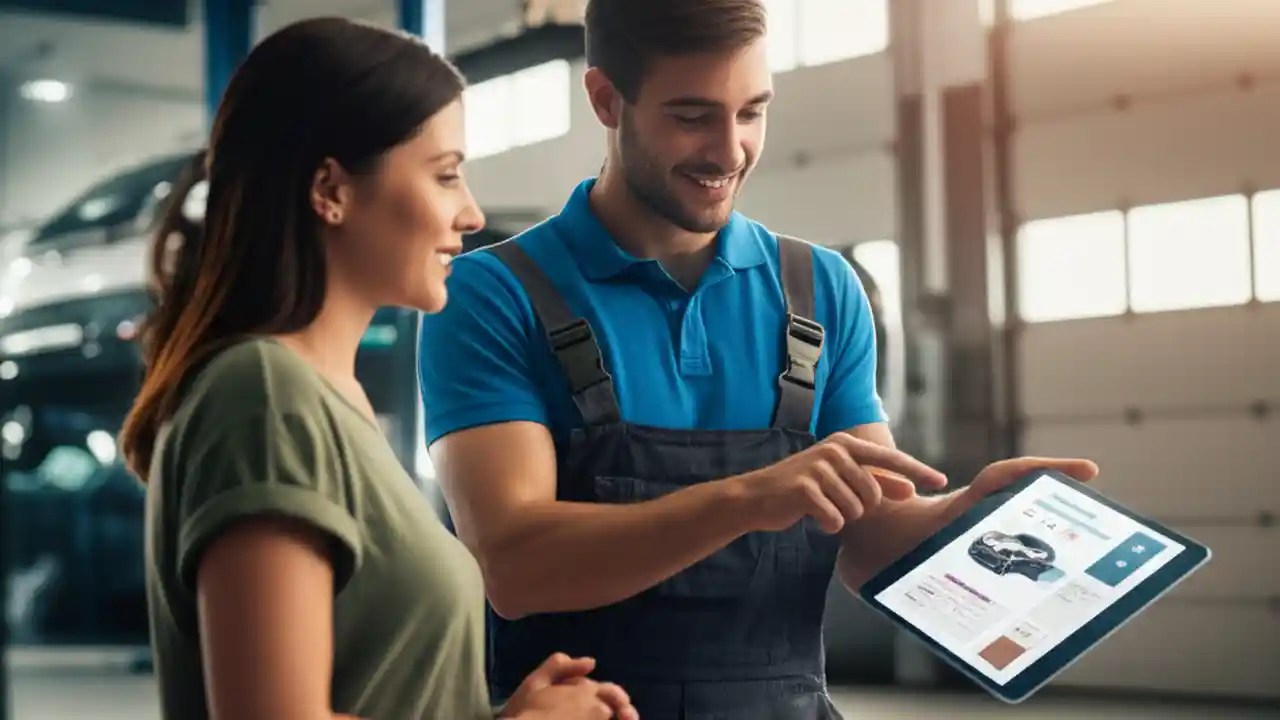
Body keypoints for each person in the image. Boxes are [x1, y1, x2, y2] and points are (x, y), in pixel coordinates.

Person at [417, 0, 1100, 717]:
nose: (730, 150)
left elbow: (870, 538)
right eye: (692, 116)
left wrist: (961, 518)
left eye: (752, 112)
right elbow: (518, 567)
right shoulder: (492, 295)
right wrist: (750, 497)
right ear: (606, 99)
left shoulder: (820, 292)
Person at [119, 17, 638, 720]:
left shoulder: (328, 400)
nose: (471, 212)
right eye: (446, 175)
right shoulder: (265, 396)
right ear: (331, 189)